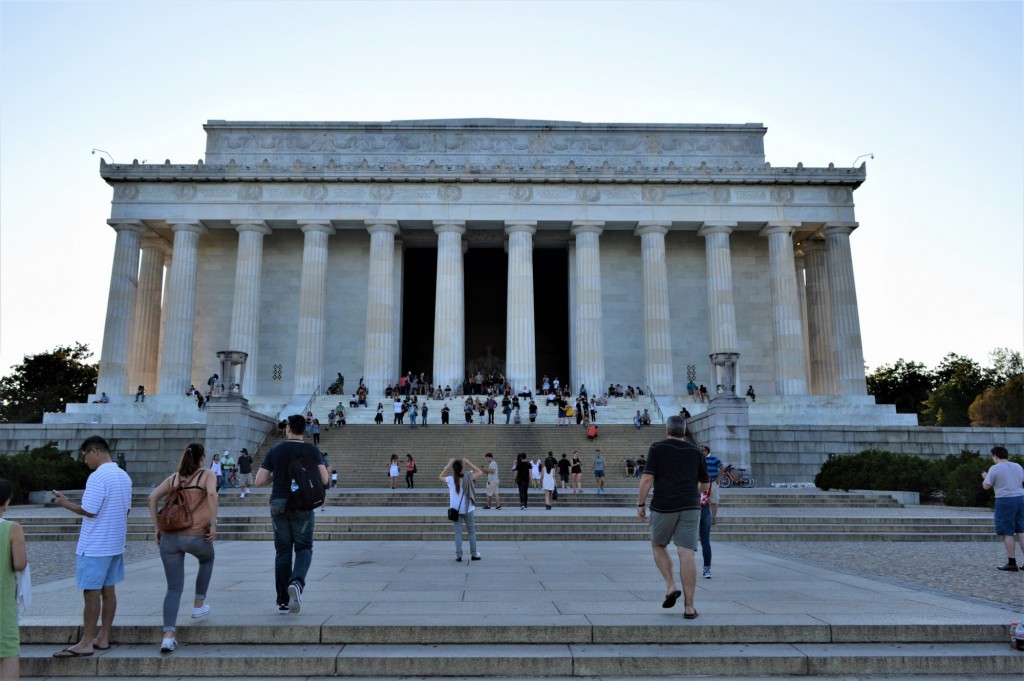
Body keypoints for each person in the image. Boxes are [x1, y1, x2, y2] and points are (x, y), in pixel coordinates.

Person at [51, 436, 132, 656]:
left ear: (94, 451)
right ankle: (103, 637)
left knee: (91, 593)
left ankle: (86, 642)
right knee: (109, 591)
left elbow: (90, 509)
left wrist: (65, 503)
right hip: (115, 543)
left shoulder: (98, 476)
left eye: (85, 455)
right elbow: (126, 510)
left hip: (96, 545)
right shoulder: (124, 476)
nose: (85, 461)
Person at [636, 415, 709, 620]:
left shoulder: (657, 448)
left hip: (663, 505)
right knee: (687, 554)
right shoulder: (696, 451)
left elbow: (647, 478)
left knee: (659, 545)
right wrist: (693, 492)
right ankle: (689, 607)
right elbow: (705, 484)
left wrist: (641, 504)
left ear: (667, 430)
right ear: (684, 432)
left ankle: (670, 586)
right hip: (690, 505)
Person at [147, 443, 218, 653]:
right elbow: (212, 495)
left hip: (169, 537)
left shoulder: (174, 478)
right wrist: (213, 523)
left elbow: (152, 497)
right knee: (207, 559)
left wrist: (156, 527)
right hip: (195, 534)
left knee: (174, 587)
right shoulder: (206, 475)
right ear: (202, 458)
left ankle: (168, 636)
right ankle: (198, 604)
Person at [254, 414, 328, 614]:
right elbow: (324, 479)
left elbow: (258, 481)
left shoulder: (276, 450)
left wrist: (276, 476)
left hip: (278, 502)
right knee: (304, 548)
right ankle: (296, 582)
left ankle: (283, 601)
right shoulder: (311, 450)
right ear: (304, 429)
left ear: (288, 428)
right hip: (302, 504)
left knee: (283, 551)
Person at [0, 478, 27, 679]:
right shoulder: (12, 528)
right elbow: (19, 563)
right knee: (8, 653)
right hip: (2, 604)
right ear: (7, 501)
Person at [981, 446, 1024, 571]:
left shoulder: (995, 468)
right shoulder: (1018, 466)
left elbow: (986, 486)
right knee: (1022, 530)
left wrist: (985, 477)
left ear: (995, 456)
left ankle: (1012, 562)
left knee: (1007, 531)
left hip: (1005, 500)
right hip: (1021, 498)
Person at [440, 458, 483, 561]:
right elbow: (480, 472)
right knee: (471, 532)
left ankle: (459, 556)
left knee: (458, 533)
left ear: (453, 468)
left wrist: (448, 464)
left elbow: (440, 476)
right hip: (468, 509)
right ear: (462, 468)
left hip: (456, 510)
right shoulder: (468, 477)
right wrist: (469, 463)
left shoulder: (450, 479)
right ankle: (474, 554)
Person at [701, 445, 723, 522]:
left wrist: (718, 478)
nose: (701, 451)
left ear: (707, 451)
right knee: (703, 500)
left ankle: (713, 518)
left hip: (713, 481)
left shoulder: (714, 458)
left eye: (703, 450)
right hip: (703, 482)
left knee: (714, 500)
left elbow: (722, 467)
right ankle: (705, 518)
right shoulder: (700, 459)